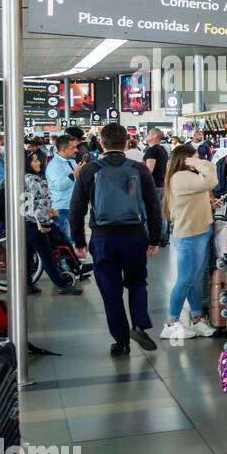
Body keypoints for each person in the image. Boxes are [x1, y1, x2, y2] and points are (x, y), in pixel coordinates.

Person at [70, 123, 162, 356]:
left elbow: (77, 209)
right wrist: (155, 238)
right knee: (138, 282)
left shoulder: (89, 170)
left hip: (103, 239)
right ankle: (139, 324)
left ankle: (121, 343)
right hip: (134, 236)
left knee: (110, 291)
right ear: (126, 143)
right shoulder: (139, 169)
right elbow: (153, 206)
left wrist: (79, 241)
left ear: (101, 143)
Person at [160, 143, 218, 340]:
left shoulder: (187, 177)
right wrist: (203, 164)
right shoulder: (180, 177)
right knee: (186, 280)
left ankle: (197, 319)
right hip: (190, 235)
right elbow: (212, 180)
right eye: (194, 157)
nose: (198, 160)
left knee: (195, 279)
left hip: (198, 231)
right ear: (184, 160)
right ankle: (171, 323)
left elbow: (200, 192)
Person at [12, 149, 82, 296]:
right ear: (27, 163)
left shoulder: (24, 178)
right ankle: (62, 284)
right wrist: (43, 223)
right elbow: (33, 204)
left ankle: (27, 284)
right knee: (47, 255)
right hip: (34, 223)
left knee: (28, 254)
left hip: (28, 222)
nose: (39, 163)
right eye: (35, 161)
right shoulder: (32, 179)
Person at [142, 129, 171, 246]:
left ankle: (151, 237)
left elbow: (148, 171)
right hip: (162, 185)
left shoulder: (152, 151)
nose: (146, 135)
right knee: (162, 212)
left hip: (153, 187)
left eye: (148, 133)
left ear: (154, 136)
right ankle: (163, 237)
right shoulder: (163, 150)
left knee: (149, 212)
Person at [46, 134, 81, 228]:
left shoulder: (72, 161)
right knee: (65, 240)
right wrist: (74, 175)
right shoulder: (54, 166)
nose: (76, 150)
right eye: (73, 147)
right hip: (62, 209)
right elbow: (59, 185)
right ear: (64, 149)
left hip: (73, 206)